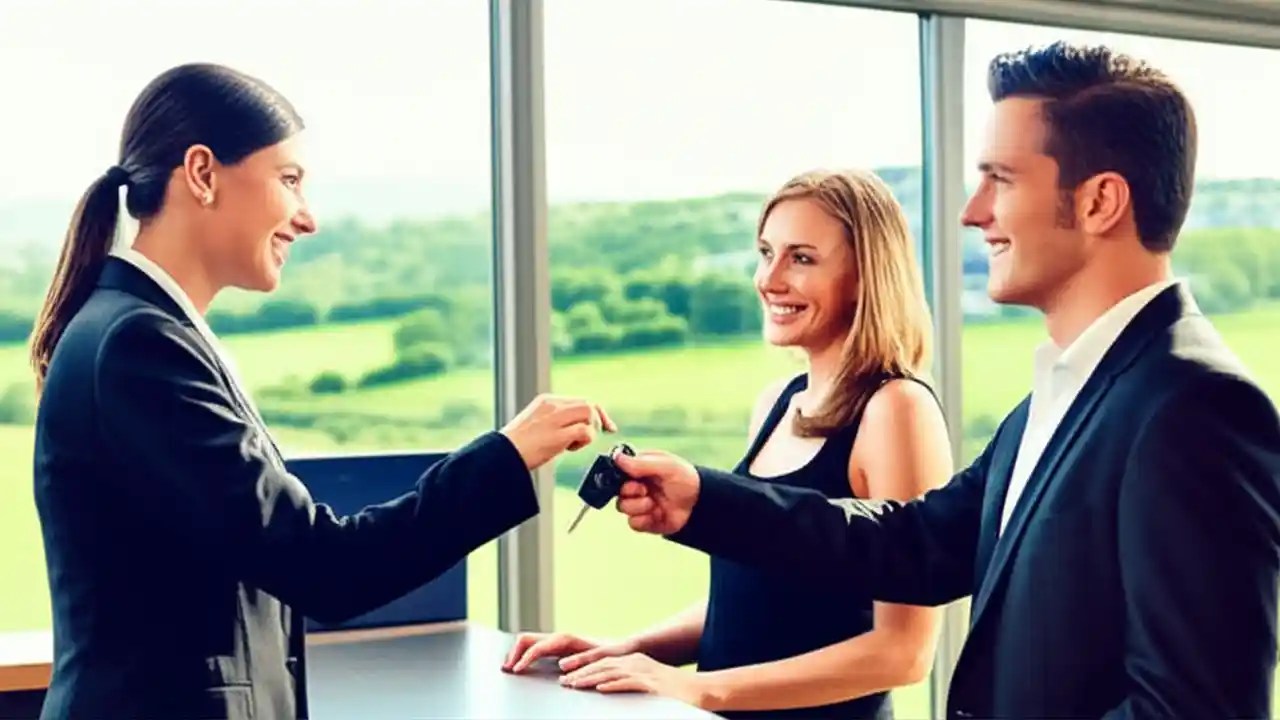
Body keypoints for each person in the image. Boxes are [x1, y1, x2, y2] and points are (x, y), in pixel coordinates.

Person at [610, 41, 1280, 720]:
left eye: (1001, 180)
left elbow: (1194, 711)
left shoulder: (1197, 408)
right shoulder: (1062, 396)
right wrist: (706, 501)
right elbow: (916, 544)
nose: (972, 212)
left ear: (1100, 201)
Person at [29, 62, 613, 720]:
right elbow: (325, 567)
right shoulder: (141, 346)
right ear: (202, 173)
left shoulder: (133, 331)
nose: (308, 218)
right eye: (289, 180)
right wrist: (506, 455)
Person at [503, 169, 954, 718]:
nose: (769, 279)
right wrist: (628, 650)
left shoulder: (896, 409)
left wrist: (697, 690)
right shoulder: (776, 403)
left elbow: (902, 652)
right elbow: (752, 595)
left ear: (866, 276)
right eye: (766, 253)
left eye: (801, 258)